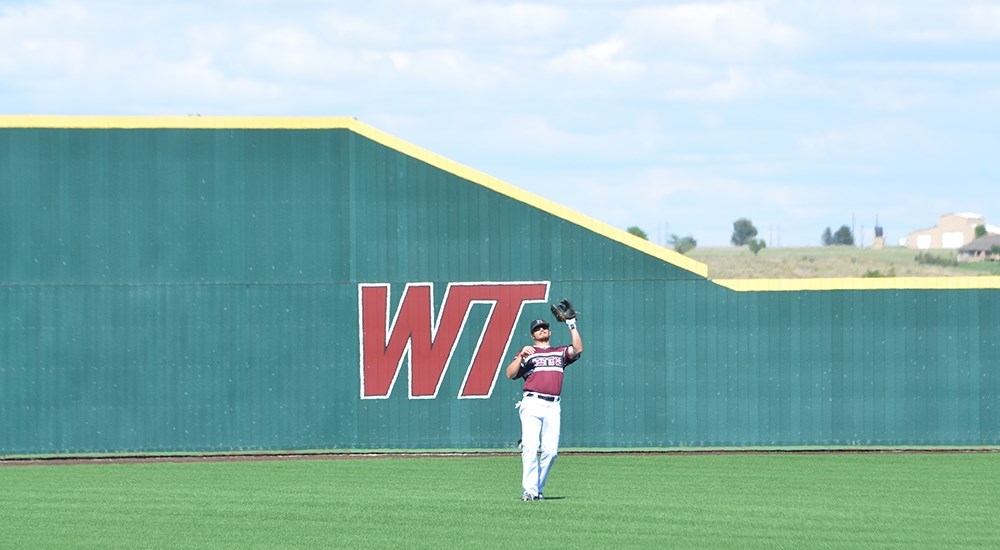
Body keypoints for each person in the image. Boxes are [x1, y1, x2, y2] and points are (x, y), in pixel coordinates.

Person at [505, 310, 582, 502]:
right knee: (531, 447)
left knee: (551, 452)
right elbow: (509, 374)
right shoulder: (528, 353)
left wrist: (571, 324)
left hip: (553, 405)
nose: (541, 330)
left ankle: (536, 488)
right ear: (532, 335)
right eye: (537, 329)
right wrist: (521, 356)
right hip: (532, 402)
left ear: (549, 332)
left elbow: (578, 349)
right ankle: (530, 491)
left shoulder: (559, 352)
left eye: (544, 327)